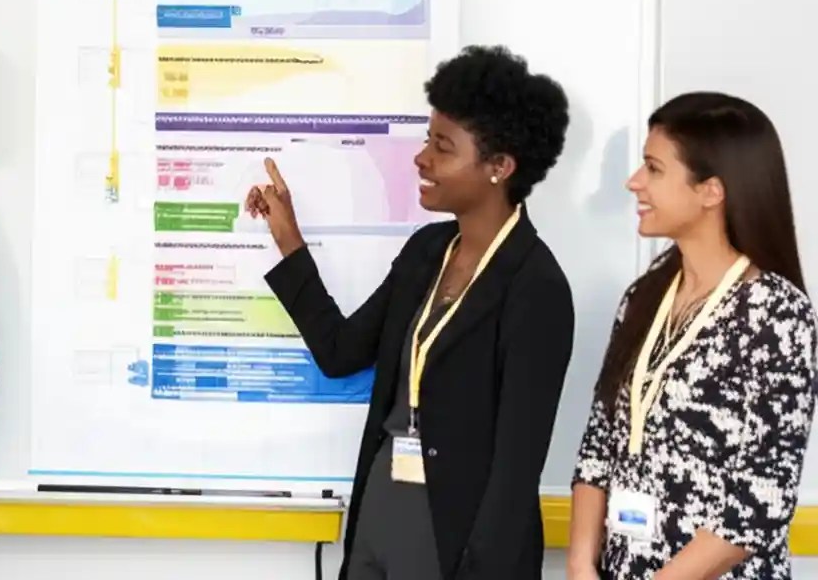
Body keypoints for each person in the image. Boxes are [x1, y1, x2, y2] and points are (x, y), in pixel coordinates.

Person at [246, 45, 574, 580]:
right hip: (378, 519)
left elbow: (515, 475)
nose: (422, 159)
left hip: (456, 547)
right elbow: (339, 352)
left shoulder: (536, 288)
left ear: (499, 167)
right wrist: (288, 239)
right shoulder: (426, 252)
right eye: (428, 140)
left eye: (442, 147)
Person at [568, 92, 818, 579]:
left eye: (654, 169)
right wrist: (580, 564)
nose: (634, 182)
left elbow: (758, 501)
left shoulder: (776, 315)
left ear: (711, 191)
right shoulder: (643, 298)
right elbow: (598, 445)